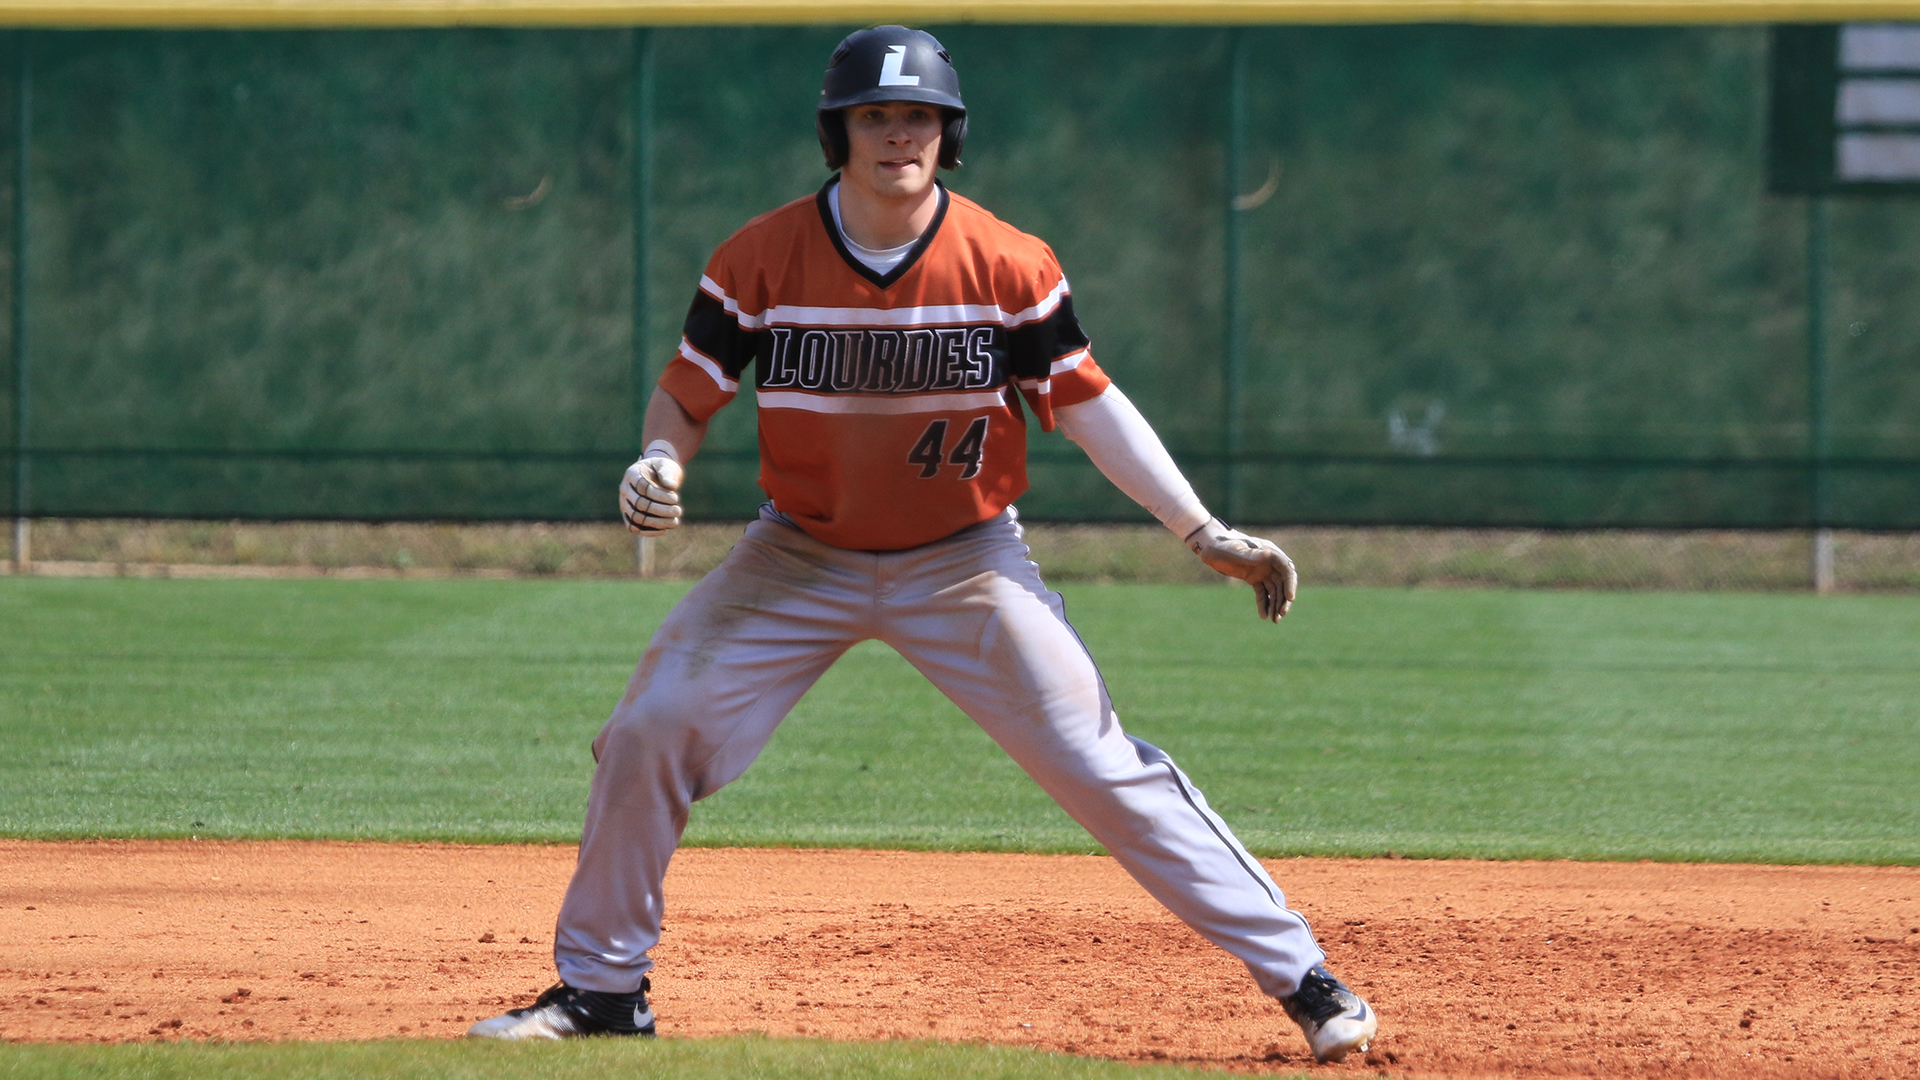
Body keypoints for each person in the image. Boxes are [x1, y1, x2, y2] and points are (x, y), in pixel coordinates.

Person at [468, 25, 1377, 1064]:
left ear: (949, 135)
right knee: (648, 730)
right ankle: (600, 992)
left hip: (966, 561)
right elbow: (686, 393)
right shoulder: (759, 258)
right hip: (795, 558)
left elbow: (1086, 404)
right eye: (875, 115)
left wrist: (1202, 531)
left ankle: (1303, 977)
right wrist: (660, 462)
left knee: (1098, 762)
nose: (899, 133)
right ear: (838, 132)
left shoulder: (1005, 263)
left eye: (919, 117)